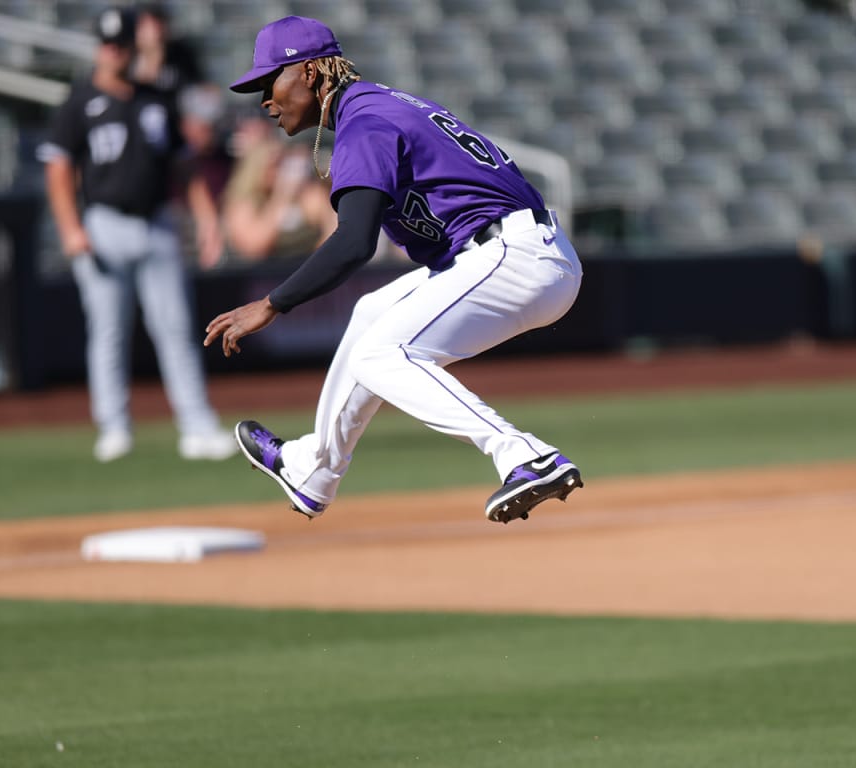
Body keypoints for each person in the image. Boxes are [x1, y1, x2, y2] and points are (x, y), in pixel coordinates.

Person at [204, 16, 584, 524]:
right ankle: (313, 469)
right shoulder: (379, 105)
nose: (264, 99)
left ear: (311, 72)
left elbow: (353, 242)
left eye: (270, 81)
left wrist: (272, 304)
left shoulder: (364, 122)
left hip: (511, 255)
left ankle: (524, 455)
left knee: (381, 355)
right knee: (370, 312)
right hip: (517, 251)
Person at [38, 6, 236, 463]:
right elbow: (59, 170)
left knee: (177, 329)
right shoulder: (79, 102)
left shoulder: (154, 98)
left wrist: (206, 220)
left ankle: (197, 427)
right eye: (107, 45)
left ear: (131, 47)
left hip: (158, 222)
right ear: (98, 48)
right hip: (104, 225)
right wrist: (70, 229)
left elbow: (185, 166)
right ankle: (113, 427)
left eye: (120, 44)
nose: (114, 53)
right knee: (108, 331)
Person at [220, 129, 339, 262]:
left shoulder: (306, 196)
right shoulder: (243, 202)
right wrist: (281, 196)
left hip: (301, 269)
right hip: (258, 277)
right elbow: (255, 247)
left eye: (284, 162)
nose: (281, 170)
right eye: (275, 165)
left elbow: (333, 233)